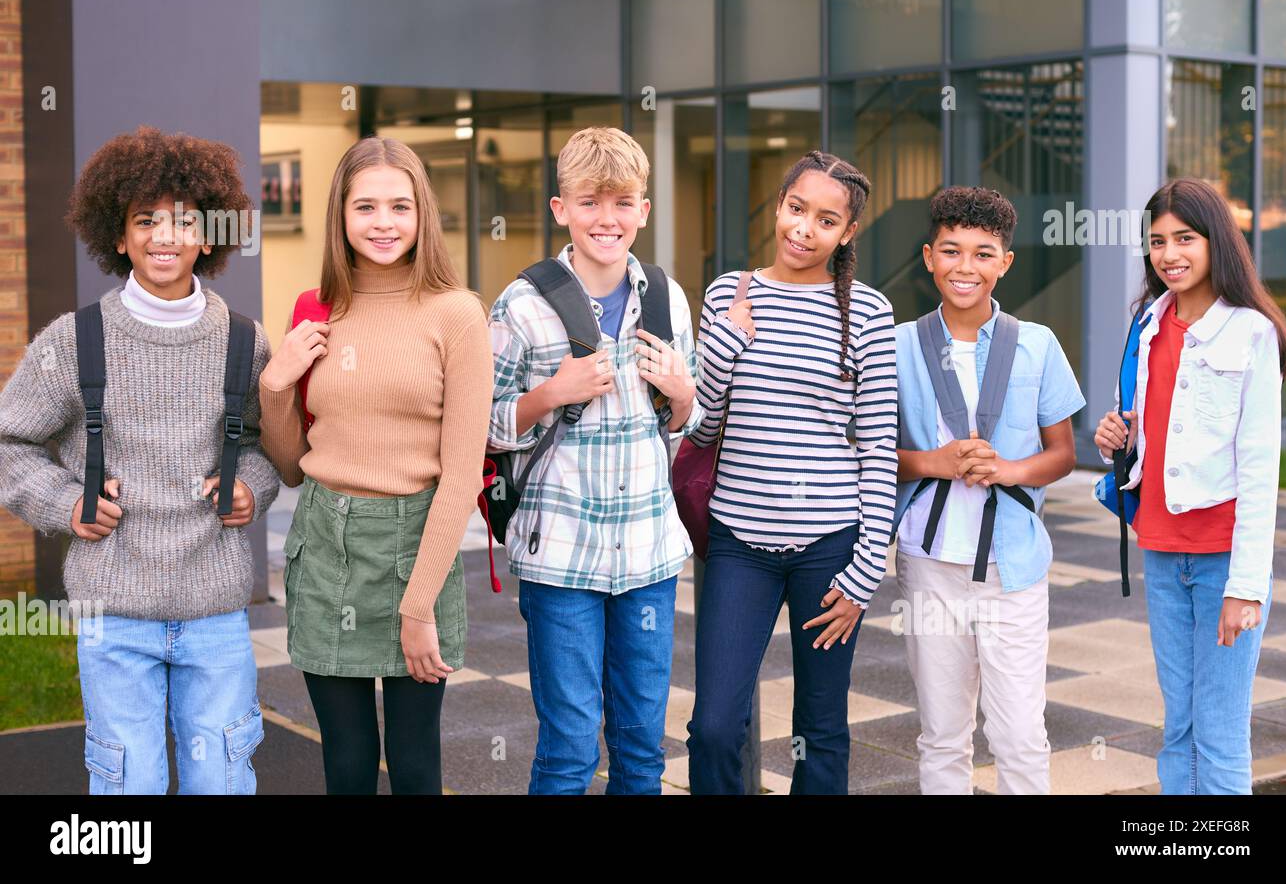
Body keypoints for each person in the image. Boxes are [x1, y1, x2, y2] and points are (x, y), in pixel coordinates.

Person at [0, 126, 280, 793]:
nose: (164, 235)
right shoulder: (73, 343)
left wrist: (252, 487)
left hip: (215, 613)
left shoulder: (245, 342)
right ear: (118, 236)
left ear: (209, 236)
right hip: (113, 616)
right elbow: (9, 441)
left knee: (222, 779)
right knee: (130, 785)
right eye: (145, 219)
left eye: (185, 220)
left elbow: (269, 447)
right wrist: (64, 504)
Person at [258, 136, 492, 794]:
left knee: (416, 767)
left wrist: (418, 608)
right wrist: (276, 387)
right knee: (348, 765)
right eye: (365, 207)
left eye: (400, 205)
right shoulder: (317, 309)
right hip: (326, 541)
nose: (383, 222)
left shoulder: (457, 314)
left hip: (418, 545)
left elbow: (461, 475)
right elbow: (292, 467)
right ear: (340, 215)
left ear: (423, 215)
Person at [487, 126, 701, 794]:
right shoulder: (521, 304)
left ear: (643, 210)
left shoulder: (666, 299)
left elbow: (682, 423)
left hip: (646, 557)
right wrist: (552, 393)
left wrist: (684, 393)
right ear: (560, 209)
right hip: (561, 561)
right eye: (588, 202)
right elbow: (484, 426)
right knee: (570, 749)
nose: (604, 219)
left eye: (621, 203)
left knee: (641, 749)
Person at [686, 150, 898, 795]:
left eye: (826, 220)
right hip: (739, 545)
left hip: (830, 549)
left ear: (848, 232)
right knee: (715, 725)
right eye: (796, 209)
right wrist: (727, 342)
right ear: (779, 205)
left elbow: (879, 447)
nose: (804, 229)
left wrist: (863, 576)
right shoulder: (729, 291)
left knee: (821, 728)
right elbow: (700, 425)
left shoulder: (866, 312)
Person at [1094, 177, 1286, 794]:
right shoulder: (1148, 324)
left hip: (1223, 557)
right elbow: (1150, 428)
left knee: (1221, 729)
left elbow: (1261, 469)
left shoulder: (1251, 333)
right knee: (1177, 726)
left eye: (1185, 237)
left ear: (1217, 242)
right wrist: (1116, 436)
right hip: (1161, 547)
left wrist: (1245, 588)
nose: (1168, 253)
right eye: (1157, 241)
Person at [892, 186, 1085, 795]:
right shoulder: (896, 347)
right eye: (952, 251)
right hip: (929, 563)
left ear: (1005, 262)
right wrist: (934, 461)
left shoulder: (1038, 344)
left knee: (1020, 732)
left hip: (1014, 565)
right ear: (929, 257)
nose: (965, 267)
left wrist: (1007, 471)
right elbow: (872, 456)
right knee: (942, 733)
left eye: (983, 253)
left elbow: (1063, 455)